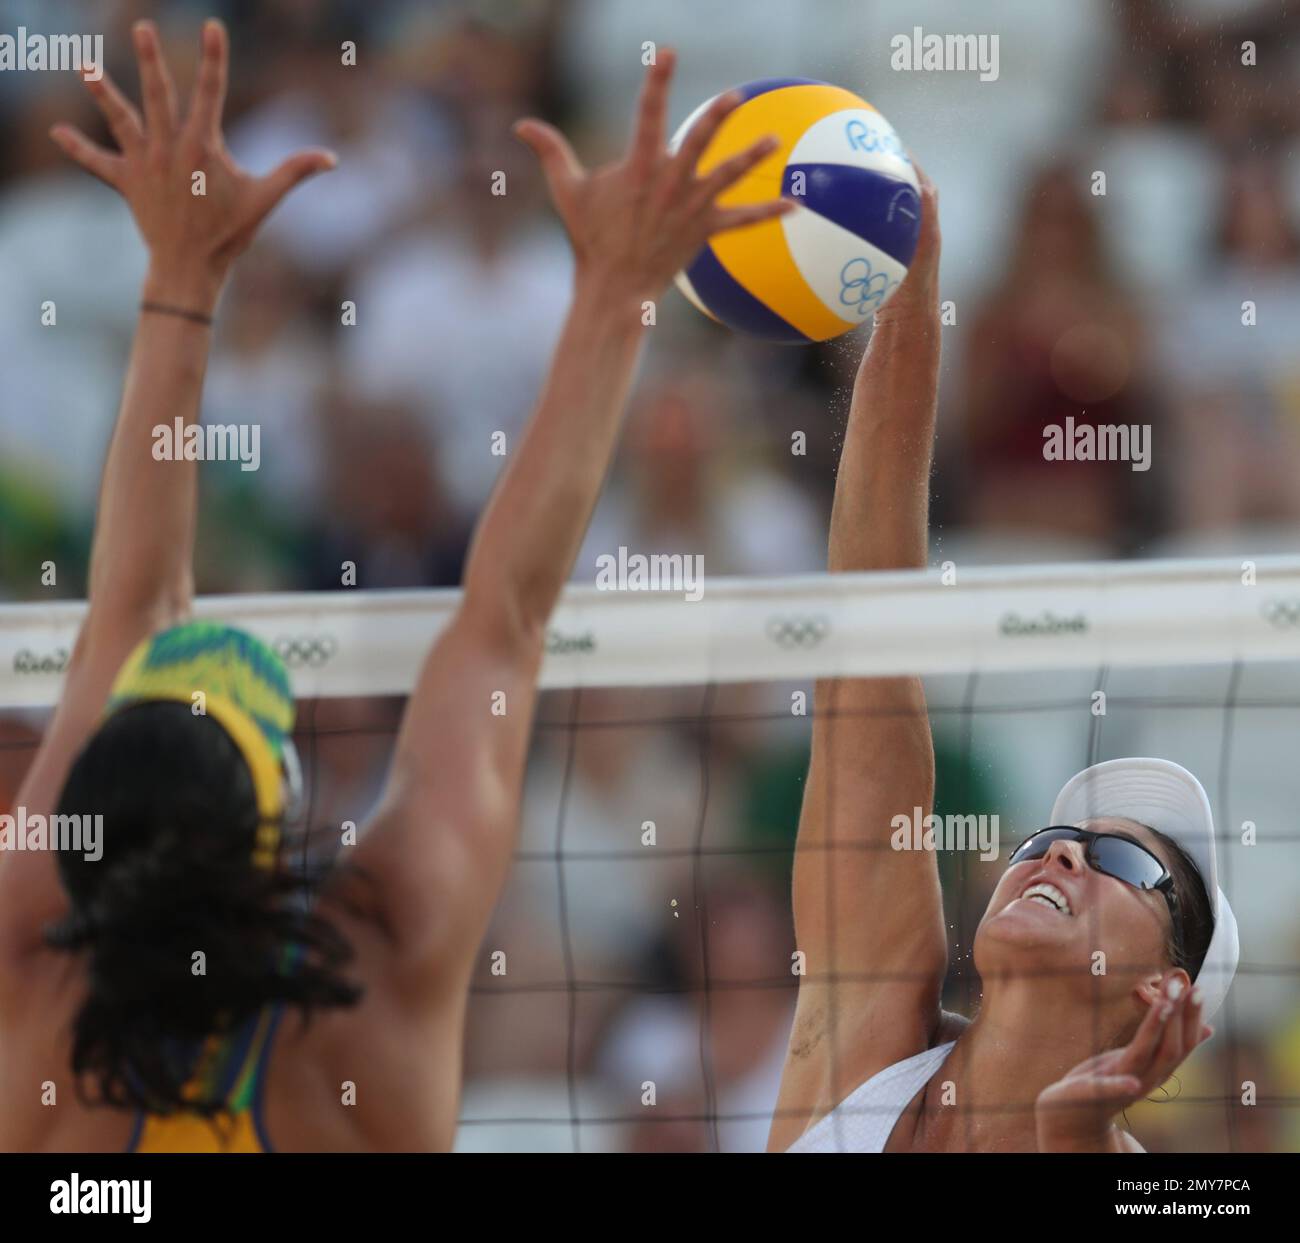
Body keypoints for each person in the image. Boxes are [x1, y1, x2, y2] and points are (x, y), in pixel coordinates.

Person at [0, 19, 790, 1153]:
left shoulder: (32, 958)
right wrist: (619, 289)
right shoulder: (377, 964)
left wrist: (178, 279)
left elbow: (123, 612)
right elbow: (505, 619)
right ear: (282, 813)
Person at [767, 164, 1239, 1154]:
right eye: (1047, 839)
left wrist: (1074, 1137)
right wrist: (906, 307)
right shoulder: (866, 1040)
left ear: (1165, 991)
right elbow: (866, 635)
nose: (1056, 849)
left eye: (1115, 857)